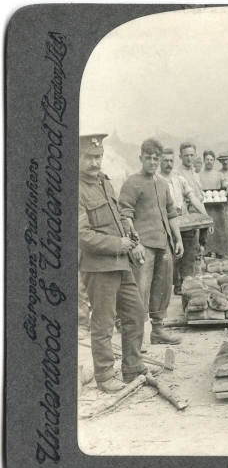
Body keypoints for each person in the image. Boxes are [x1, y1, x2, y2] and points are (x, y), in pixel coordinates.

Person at [78, 134, 147, 392]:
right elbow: (82, 236)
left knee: (136, 314)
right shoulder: (74, 189)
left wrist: (130, 235)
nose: (96, 163)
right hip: (98, 268)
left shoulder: (104, 182)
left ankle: (132, 367)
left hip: (121, 264)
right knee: (104, 324)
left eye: (98, 157)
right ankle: (105, 376)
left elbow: (117, 216)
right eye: (89, 158)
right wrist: (119, 245)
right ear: (77, 158)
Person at [118, 138, 185, 346]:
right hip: (143, 246)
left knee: (163, 287)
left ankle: (158, 331)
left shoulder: (163, 185)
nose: (153, 162)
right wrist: (134, 242)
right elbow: (125, 214)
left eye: (156, 158)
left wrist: (178, 238)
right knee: (139, 290)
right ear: (141, 158)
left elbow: (171, 213)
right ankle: (135, 340)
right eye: (149, 158)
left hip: (163, 244)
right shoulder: (132, 182)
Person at [160, 147, 205, 292]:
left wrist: (206, 216)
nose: (168, 163)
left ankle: (186, 282)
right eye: (165, 160)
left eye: (171, 160)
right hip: (165, 220)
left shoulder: (179, 179)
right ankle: (175, 283)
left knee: (188, 250)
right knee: (171, 253)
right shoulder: (156, 180)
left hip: (182, 218)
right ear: (160, 161)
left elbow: (193, 198)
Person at [178, 142, 208, 264]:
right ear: (180, 156)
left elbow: (200, 198)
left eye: (191, 155)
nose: (189, 158)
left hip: (200, 212)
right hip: (187, 214)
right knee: (189, 249)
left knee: (200, 247)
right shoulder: (177, 174)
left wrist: (206, 216)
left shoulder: (196, 175)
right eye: (186, 155)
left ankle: (197, 275)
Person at [199, 149, 228, 259]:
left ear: (214, 161)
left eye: (211, 160)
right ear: (204, 160)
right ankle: (207, 253)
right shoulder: (199, 176)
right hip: (205, 208)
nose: (209, 161)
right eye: (207, 159)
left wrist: (226, 188)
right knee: (206, 230)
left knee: (219, 229)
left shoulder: (219, 174)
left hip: (218, 207)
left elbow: (225, 183)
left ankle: (220, 253)